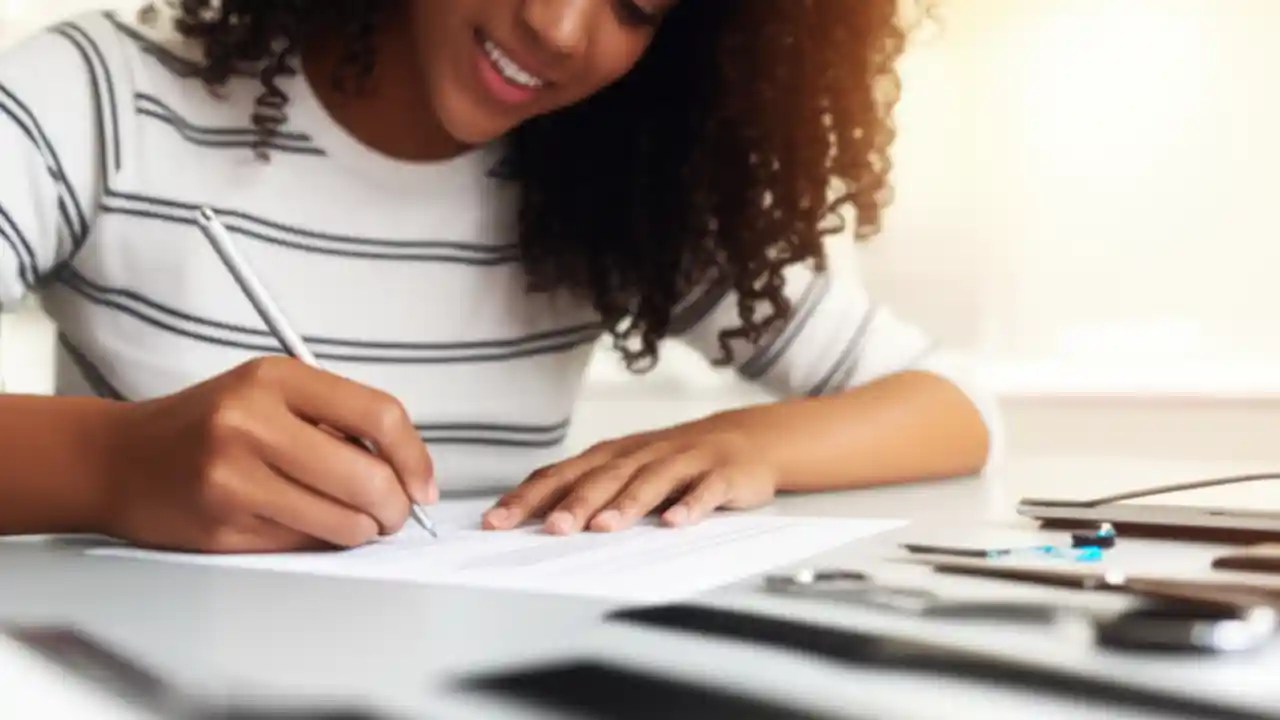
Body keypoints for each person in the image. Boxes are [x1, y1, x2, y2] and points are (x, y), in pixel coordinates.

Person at [0, 0, 995, 553]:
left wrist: (744, 442)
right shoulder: (101, 99)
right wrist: (115, 466)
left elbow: (954, 407)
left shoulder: (616, 186)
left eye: (636, 5)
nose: (559, 29)